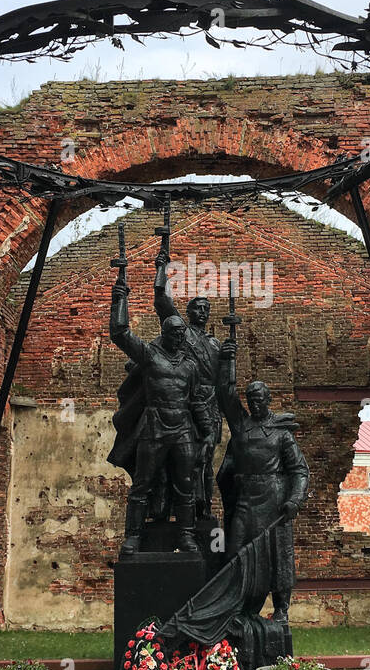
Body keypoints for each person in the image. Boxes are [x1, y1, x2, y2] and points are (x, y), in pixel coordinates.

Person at [108, 275, 211, 555]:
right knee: (142, 484)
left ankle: (186, 536)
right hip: (154, 427)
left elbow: (196, 401)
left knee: (186, 484)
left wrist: (208, 432)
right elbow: (120, 333)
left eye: (181, 335)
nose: (179, 339)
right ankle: (133, 536)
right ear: (164, 334)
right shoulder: (150, 356)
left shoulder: (189, 366)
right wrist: (120, 298)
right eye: (175, 335)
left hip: (182, 429)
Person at [215, 338, 309, 619]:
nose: (255, 404)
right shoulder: (241, 425)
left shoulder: (282, 434)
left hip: (274, 497)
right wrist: (227, 360)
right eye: (251, 399)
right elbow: (225, 393)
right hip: (245, 499)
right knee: (235, 552)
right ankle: (236, 605)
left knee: (277, 554)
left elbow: (300, 470)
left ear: (268, 400)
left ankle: (281, 608)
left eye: (260, 399)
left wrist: (294, 498)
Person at [153, 249, 222, 514]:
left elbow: (224, 382)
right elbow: (162, 301)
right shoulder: (182, 333)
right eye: (198, 308)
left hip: (210, 407)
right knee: (183, 460)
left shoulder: (216, 344)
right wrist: (162, 268)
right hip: (186, 404)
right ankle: (176, 510)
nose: (203, 312)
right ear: (189, 312)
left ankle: (204, 508)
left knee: (206, 460)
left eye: (207, 308)